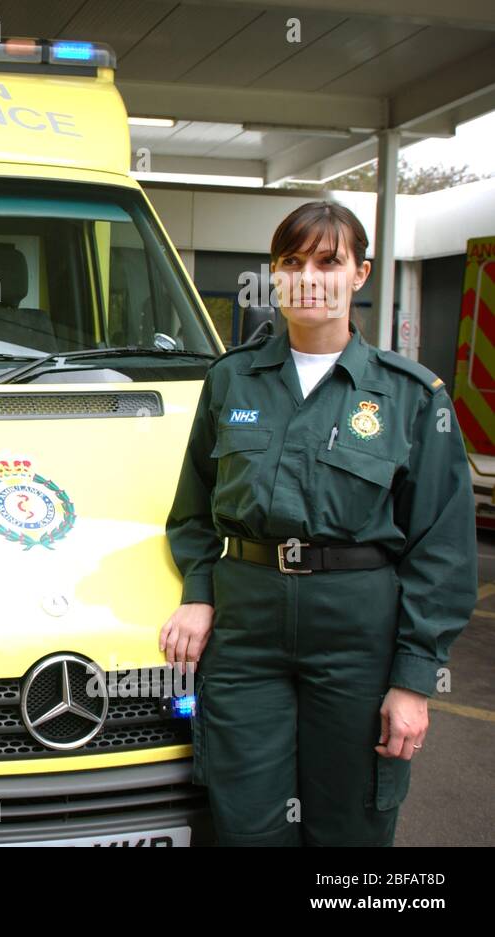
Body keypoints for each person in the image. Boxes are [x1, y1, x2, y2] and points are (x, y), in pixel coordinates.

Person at [160, 201, 477, 846]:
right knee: (246, 823)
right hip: (247, 637)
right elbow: (192, 510)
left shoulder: (411, 397)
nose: (310, 277)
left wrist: (414, 682)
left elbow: (441, 552)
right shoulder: (231, 382)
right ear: (274, 275)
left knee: (352, 824)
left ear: (359, 275)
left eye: (329, 261)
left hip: (357, 637)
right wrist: (198, 591)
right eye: (292, 261)